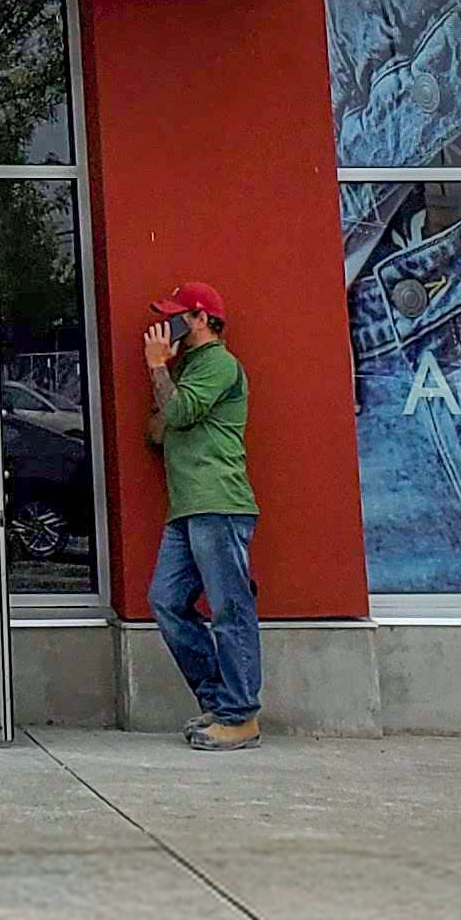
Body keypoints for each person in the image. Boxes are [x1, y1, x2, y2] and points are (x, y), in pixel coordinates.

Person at [141, 280, 260, 747]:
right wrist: (163, 375)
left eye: (178, 316)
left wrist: (157, 368)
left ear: (202, 319)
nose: (167, 325)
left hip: (220, 503)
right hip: (188, 506)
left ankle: (241, 715)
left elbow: (182, 414)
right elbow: (156, 432)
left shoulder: (219, 364)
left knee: (230, 608)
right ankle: (218, 702)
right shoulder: (186, 367)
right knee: (166, 601)